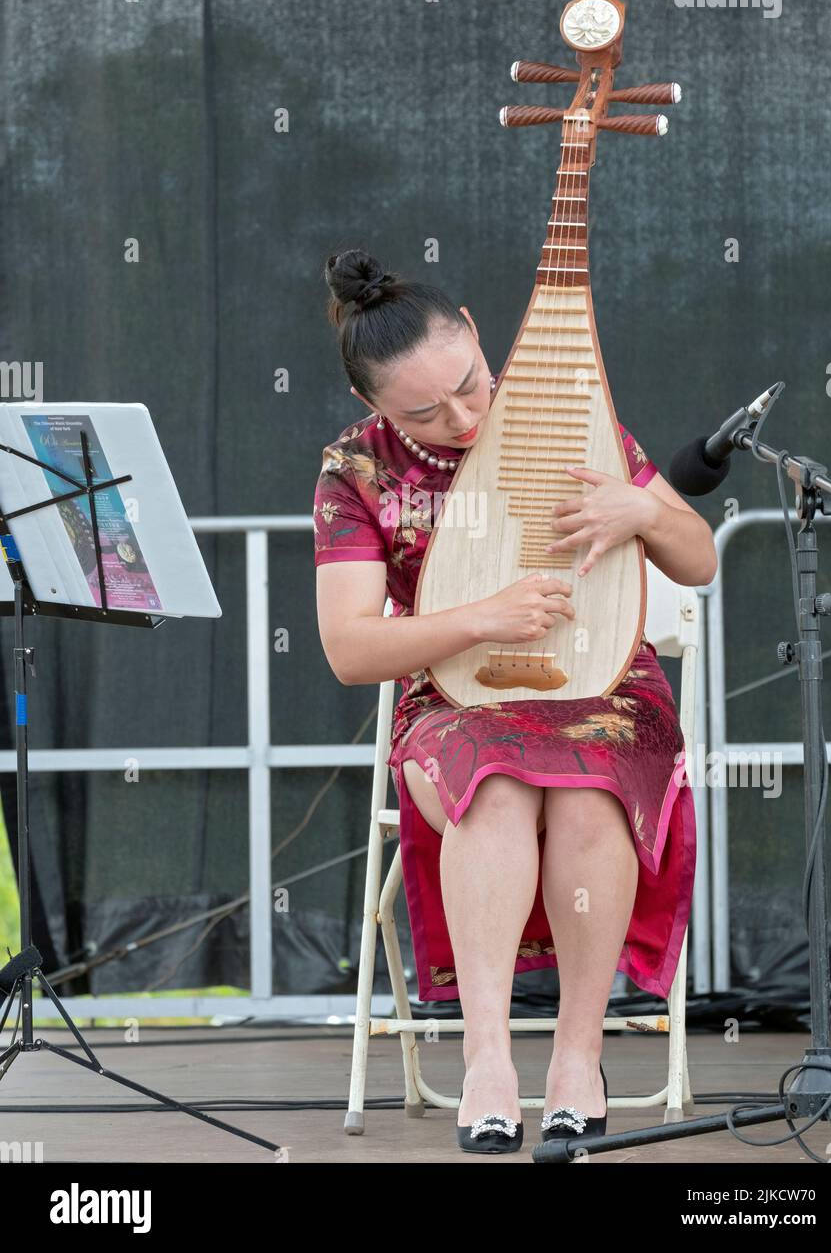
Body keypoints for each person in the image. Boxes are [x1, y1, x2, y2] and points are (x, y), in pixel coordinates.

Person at [313, 247, 717, 1154]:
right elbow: (349, 650)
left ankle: (579, 1056)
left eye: (470, 384)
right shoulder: (357, 469)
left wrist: (644, 513)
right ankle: (488, 1059)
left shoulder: (568, 419)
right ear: (371, 408)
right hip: (457, 699)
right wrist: (478, 618)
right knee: (494, 783)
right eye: (425, 411)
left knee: (587, 784)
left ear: (483, 342)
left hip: (608, 686)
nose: (461, 416)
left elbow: (699, 560)